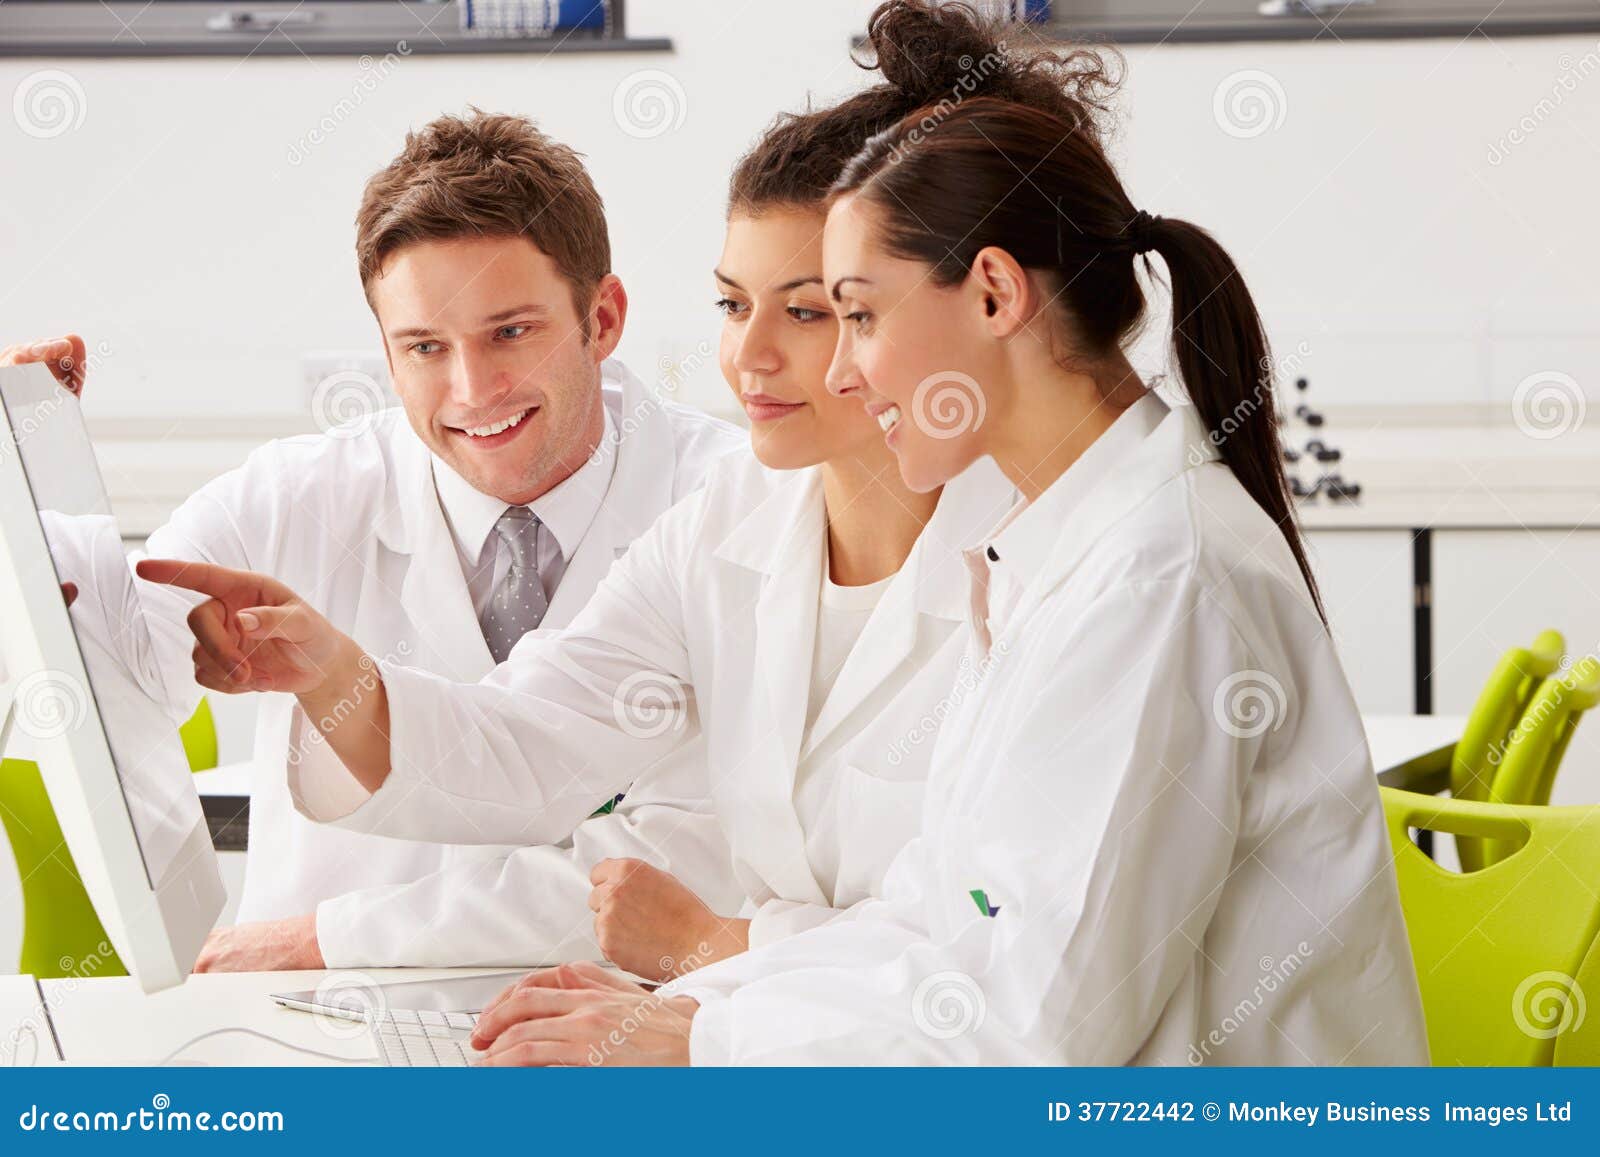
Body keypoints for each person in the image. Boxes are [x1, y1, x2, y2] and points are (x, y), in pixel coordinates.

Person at [467, 16, 1432, 1062]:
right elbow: (933, 920)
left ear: (993, 292)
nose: (844, 373)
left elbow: (1034, 1028)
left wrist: (699, 1038)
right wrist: (706, 1007)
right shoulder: (1050, 548)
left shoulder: (1156, 575)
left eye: (858, 316)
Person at [134, 2, 1042, 983]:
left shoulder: (1062, 559)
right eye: (732, 305)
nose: (745, 357)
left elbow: (1019, 962)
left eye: (814, 310)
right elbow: (524, 745)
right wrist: (327, 670)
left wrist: (719, 956)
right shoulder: (733, 520)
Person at [0, 109, 747, 971]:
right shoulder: (296, 496)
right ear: (386, 355)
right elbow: (91, 673)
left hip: (618, 1037)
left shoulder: (725, 505)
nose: (472, 390)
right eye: (425, 346)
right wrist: (21, 510)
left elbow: (698, 859)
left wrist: (330, 939)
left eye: (512, 331)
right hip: (320, 1036)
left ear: (603, 318)